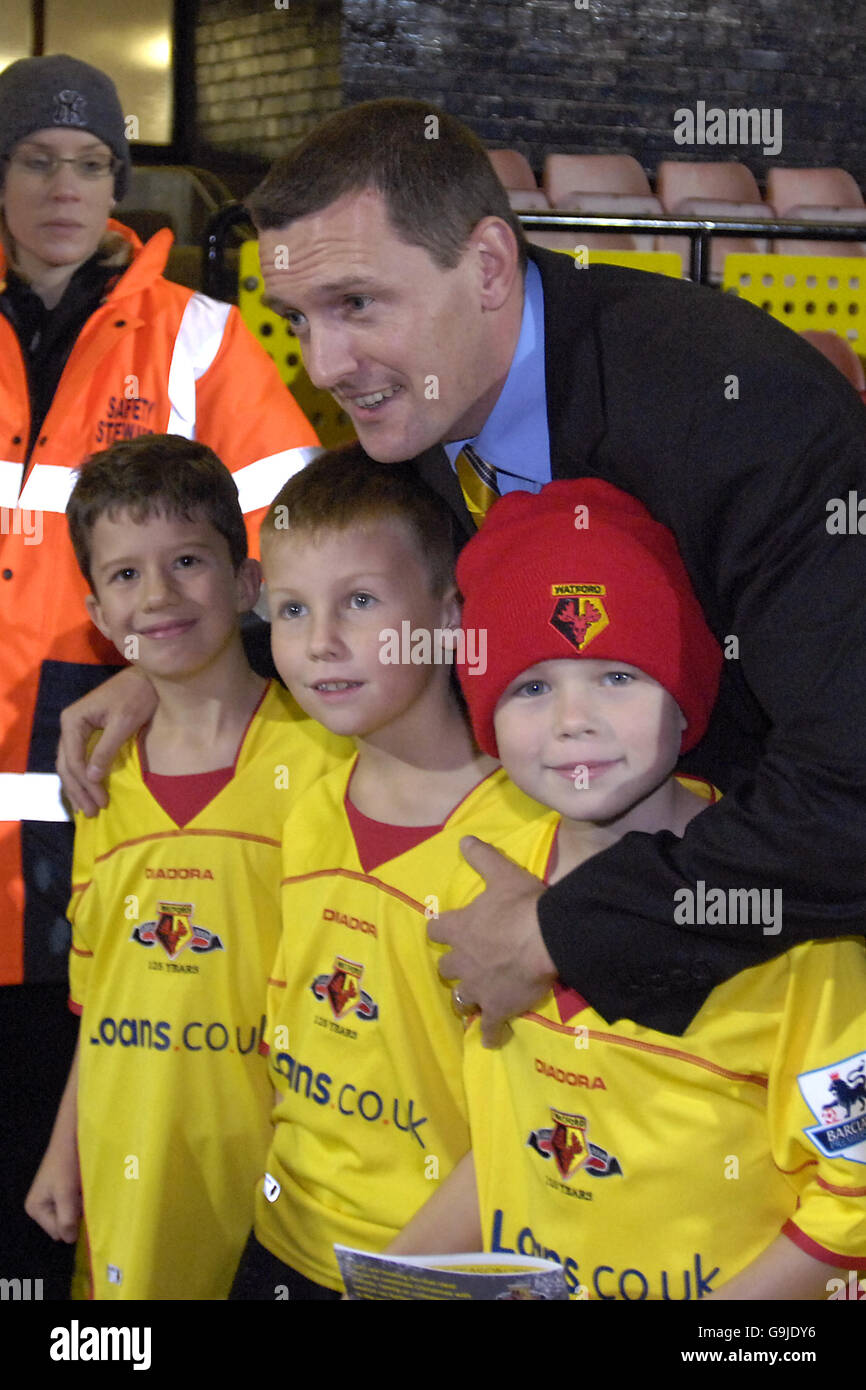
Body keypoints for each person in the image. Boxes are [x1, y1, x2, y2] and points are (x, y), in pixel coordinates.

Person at [237, 97, 866, 1041]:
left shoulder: (740, 408)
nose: (323, 363)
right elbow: (360, 615)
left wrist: (558, 934)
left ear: (487, 265)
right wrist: (187, 673)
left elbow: (849, 790)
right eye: (298, 319)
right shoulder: (413, 421)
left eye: (357, 304)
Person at [0, 54, 318, 1290]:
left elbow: (298, 546)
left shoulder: (201, 342)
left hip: (107, 824)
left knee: (67, 1210)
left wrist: (169, 660)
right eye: (36, 158)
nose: (65, 185)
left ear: (122, 183)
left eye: (91, 163)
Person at [390, 480, 866, 1301]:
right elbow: (509, 1148)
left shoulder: (791, 930)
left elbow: (852, 1199)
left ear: (687, 698)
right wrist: (394, 1281)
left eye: (617, 675)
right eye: (531, 687)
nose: (575, 721)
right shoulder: (471, 881)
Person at [24, 436, 350, 1299]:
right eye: (126, 576)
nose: (159, 595)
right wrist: (66, 1151)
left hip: (288, 1186)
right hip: (130, 1180)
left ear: (248, 586)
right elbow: (102, 1000)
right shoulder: (104, 781)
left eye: (188, 561)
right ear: (96, 611)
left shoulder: (327, 766)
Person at [229, 443, 546, 1299]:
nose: (320, 643)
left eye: (360, 602)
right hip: (280, 1245)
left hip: (430, 1270)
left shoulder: (534, 838)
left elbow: (543, 1116)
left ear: (448, 616)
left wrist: (393, 1280)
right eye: (291, 610)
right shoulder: (304, 807)